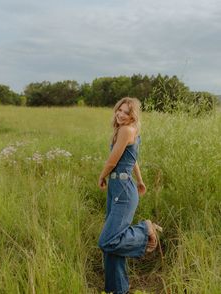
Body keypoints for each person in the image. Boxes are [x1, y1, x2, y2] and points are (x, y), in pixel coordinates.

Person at [98, 97, 162, 294]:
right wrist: (140, 180)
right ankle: (117, 289)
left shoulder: (127, 129)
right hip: (119, 188)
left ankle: (145, 229)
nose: (121, 114)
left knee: (107, 240)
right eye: (119, 110)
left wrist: (101, 175)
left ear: (132, 115)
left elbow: (112, 161)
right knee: (113, 245)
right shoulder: (127, 129)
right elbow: (132, 159)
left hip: (123, 190)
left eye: (126, 112)